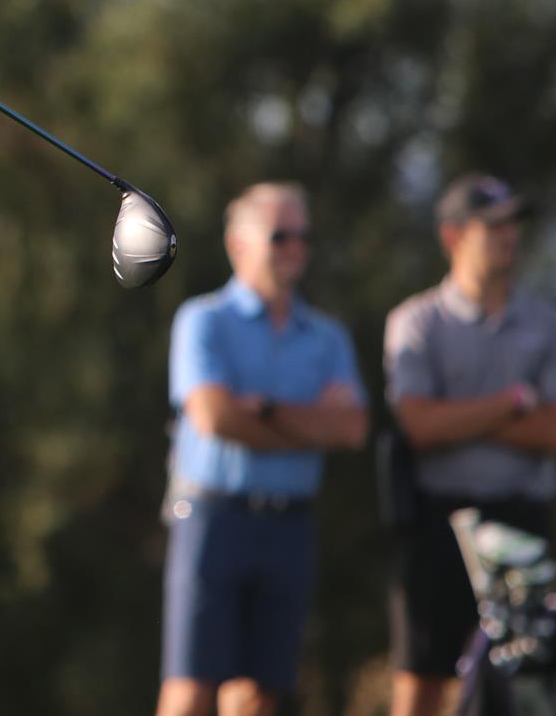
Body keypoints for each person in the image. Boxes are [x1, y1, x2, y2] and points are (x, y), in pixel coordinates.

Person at [157, 182, 368, 716]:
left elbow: (352, 429)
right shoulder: (202, 320)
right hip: (213, 518)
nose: (295, 247)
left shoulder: (327, 336)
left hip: (289, 527)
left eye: (304, 236)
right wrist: (310, 421)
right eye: (280, 236)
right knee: (190, 688)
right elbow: (214, 417)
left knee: (258, 694)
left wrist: (267, 411)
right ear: (238, 244)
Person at [384, 174, 556, 716]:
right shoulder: (417, 321)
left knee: (525, 680)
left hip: (523, 525)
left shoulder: (551, 324)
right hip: (439, 525)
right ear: (453, 236)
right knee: (422, 679)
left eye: (512, 225)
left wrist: (461, 417)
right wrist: (511, 405)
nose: (508, 236)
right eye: (492, 226)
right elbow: (420, 427)